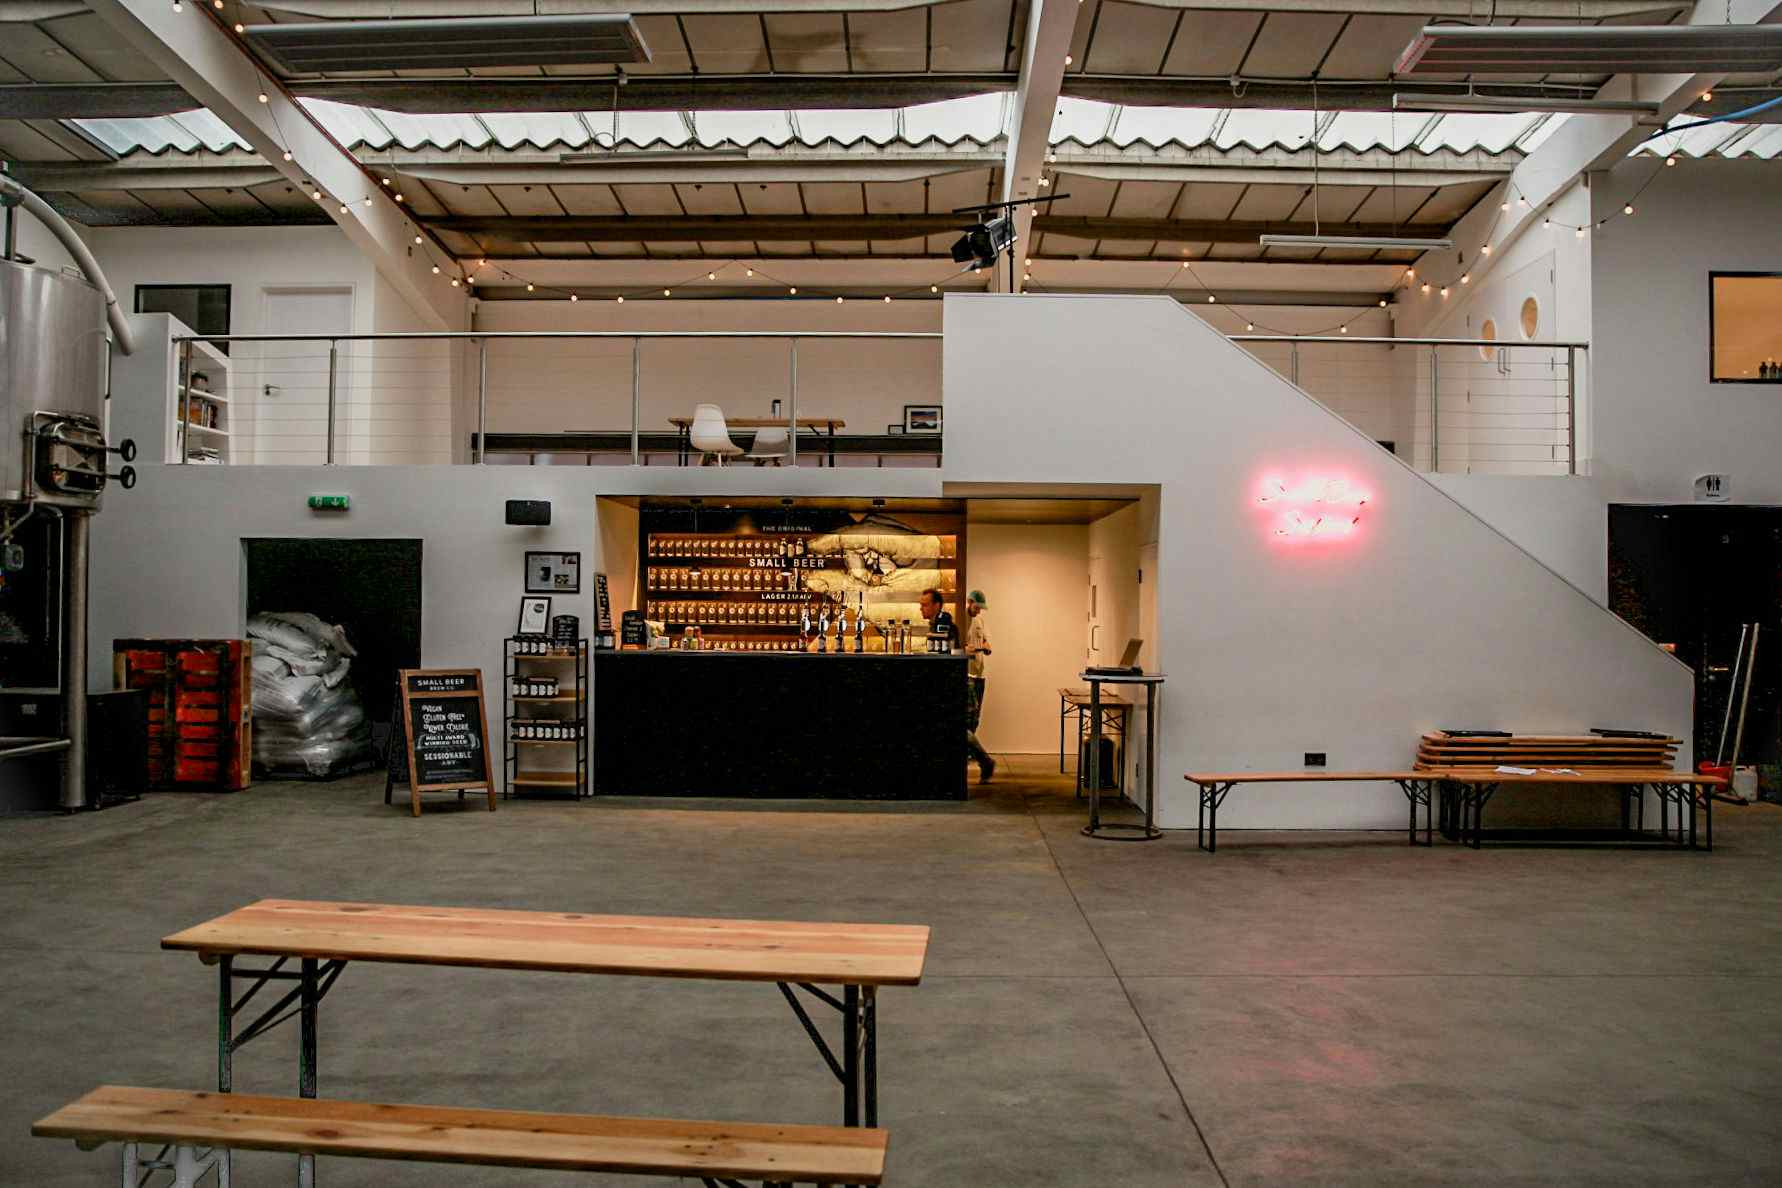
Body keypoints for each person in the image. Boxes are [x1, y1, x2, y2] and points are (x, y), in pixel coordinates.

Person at [921, 588, 995, 784]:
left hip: (965, 678)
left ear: (936, 605)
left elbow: (952, 651)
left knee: (965, 726)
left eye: (925, 604)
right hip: (964, 677)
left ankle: (981, 762)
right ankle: (980, 762)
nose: (921, 608)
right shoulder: (946, 622)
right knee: (963, 726)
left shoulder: (948, 623)